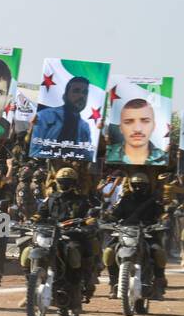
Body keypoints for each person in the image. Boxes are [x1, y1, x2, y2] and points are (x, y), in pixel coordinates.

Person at [32, 166, 98, 298]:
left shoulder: (81, 199)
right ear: (57, 182)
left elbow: (89, 215)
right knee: (31, 250)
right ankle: (32, 286)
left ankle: (81, 281)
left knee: (74, 250)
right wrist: (34, 219)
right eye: (62, 181)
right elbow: (41, 212)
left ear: (73, 183)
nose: (64, 184)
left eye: (67, 182)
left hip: (72, 234)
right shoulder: (51, 198)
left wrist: (88, 221)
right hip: (51, 234)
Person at [104, 172, 167, 297]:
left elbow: (160, 215)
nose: (138, 188)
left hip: (147, 233)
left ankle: (159, 283)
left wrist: (161, 214)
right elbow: (115, 215)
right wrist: (108, 218)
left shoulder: (153, 200)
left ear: (147, 186)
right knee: (109, 252)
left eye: (141, 185)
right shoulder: (125, 199)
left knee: (158, 252)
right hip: (126, 232)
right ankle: (113, 282)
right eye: (135, 185)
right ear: (131, 185)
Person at [32, 76, 93, 147]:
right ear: (65, 96)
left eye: (85, 92)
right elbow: (34, 148)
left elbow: (87, 154)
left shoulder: (84, 127)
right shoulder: (44, 117)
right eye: (76, 91)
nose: (81, 96)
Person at [105, 98, 165, 166]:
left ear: (153, 126)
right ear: (121, 128)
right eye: (128, 122)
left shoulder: (165, 158)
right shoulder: (106, 155)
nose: (137, 129)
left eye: (145, 121)